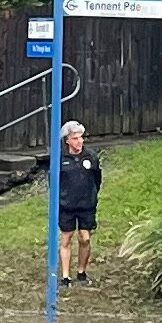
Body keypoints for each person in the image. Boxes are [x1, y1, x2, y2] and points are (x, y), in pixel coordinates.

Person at [55, 120, 101, 283]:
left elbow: (97, 179)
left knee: (85, 238)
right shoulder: (59, 158)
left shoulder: (91, 157)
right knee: (66, 238)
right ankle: (65, 275)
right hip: (66, 205)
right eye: (75, 138)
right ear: (67, 140)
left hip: (86, 205)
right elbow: (54, 181)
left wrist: (93, 196)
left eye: (81, 137)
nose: (79, 141)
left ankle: (82, 271)